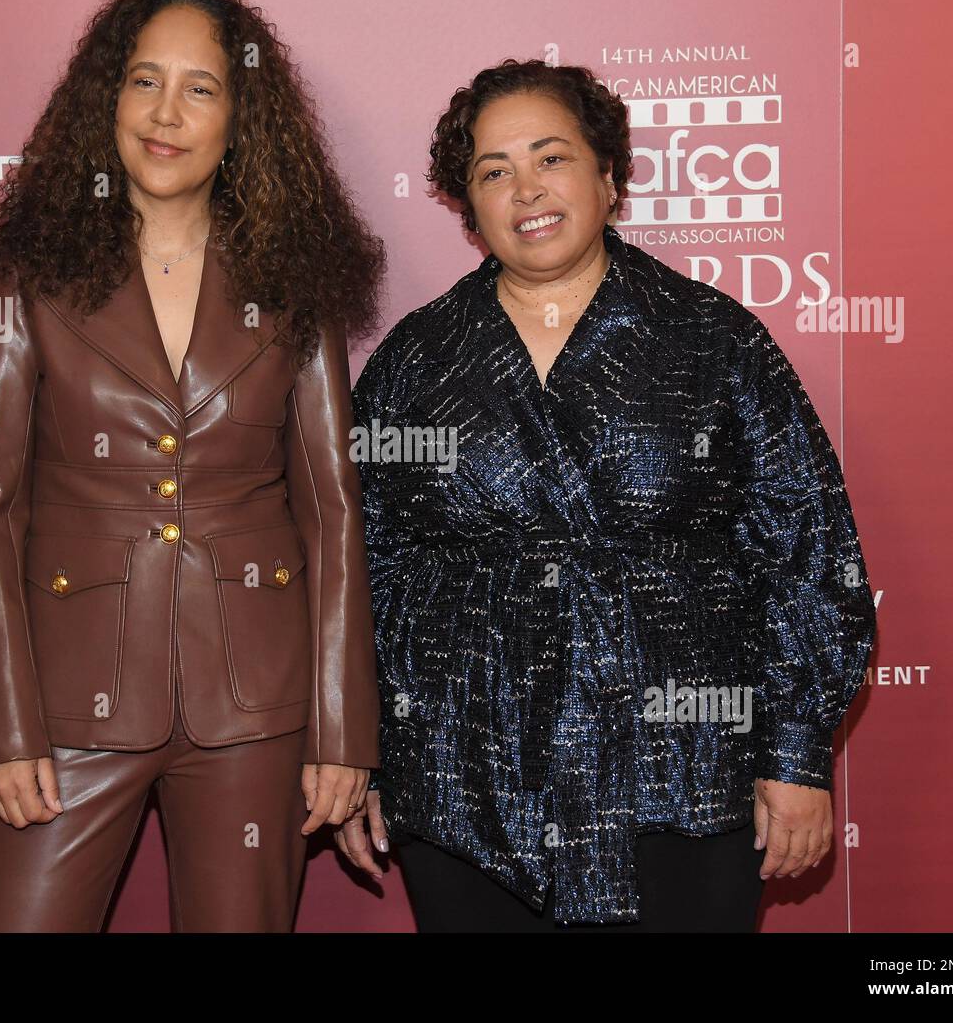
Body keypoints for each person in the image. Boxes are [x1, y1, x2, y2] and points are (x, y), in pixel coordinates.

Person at [336, 59, 877, 931]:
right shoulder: (416, 359)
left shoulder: (714, 339)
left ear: (609, 177)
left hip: (682, 769)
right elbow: (361, 567)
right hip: (465, 775)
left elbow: (807, 556)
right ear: (468, 206)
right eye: (493, 172)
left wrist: (794, 754)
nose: (526, 190)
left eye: (551, 158)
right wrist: (357, 748)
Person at [0, 0, 385, 932]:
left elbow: (330, 506)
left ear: (240, 120)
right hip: (68, 700)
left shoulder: (293, 276)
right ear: (106, 99)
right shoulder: (24, 272)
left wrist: (342, 724)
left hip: (257, 703)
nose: (165, 114)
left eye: (200, 88)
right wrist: (5, 728)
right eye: (145, 80)